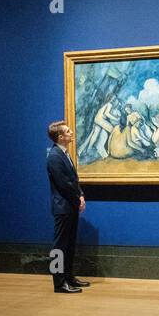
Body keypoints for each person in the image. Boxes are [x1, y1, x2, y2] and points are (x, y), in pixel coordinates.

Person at [46, 120, 91, 294]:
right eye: (68, 131)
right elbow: (63, 183)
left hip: (70, 205)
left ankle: (69, 277)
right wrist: (77, 197)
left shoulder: (64, 154)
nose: (71, 133)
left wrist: (80, 195)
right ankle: (59, 283)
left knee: (69, 244)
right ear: (60, 136)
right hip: (63, 207)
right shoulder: (54, 156)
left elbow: (73, 179)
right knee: (59, 247)